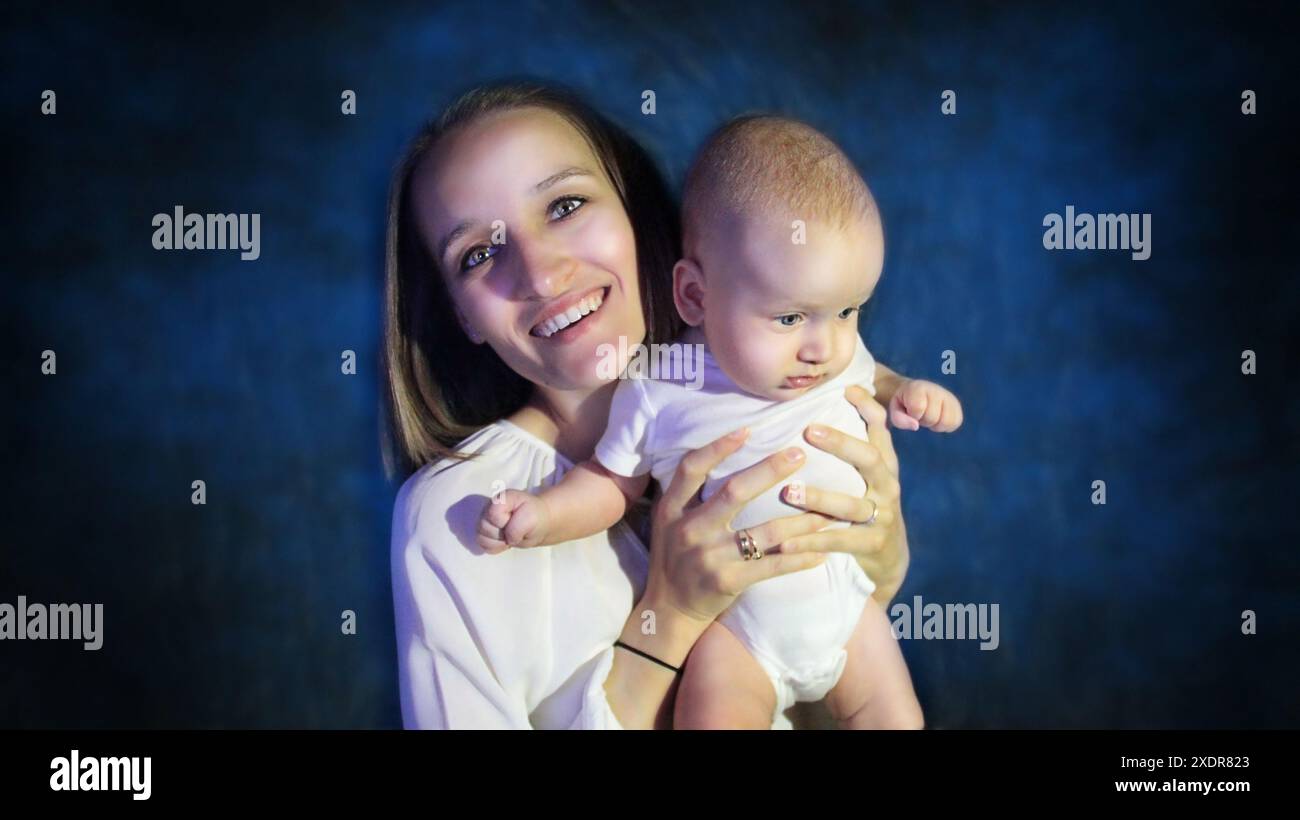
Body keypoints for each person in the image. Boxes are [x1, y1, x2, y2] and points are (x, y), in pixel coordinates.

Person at [383, 82, 913, 729]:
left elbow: (824, 670)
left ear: (636, 213)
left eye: (565, 204)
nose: (542, 275)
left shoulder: (793, 387)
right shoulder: (457, 519)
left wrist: (883, 569)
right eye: (480, 254)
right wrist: (673, 615)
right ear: (461, 314)